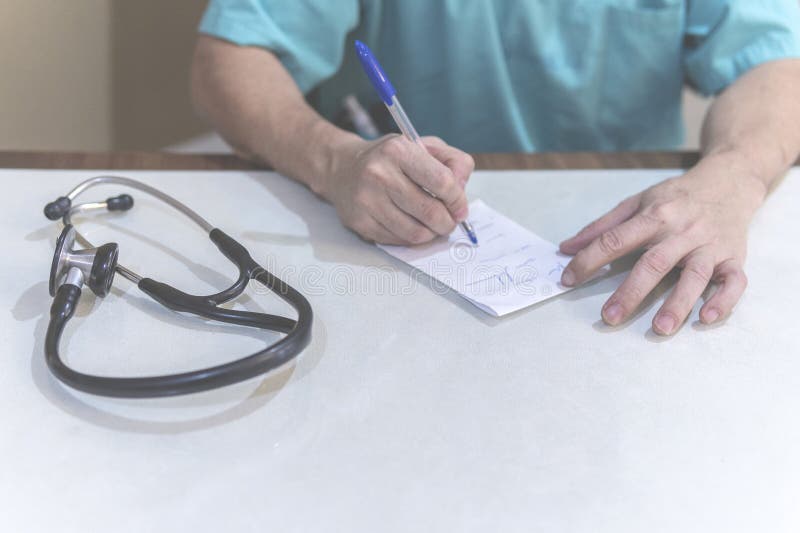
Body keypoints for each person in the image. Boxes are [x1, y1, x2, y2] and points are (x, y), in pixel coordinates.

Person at [191, 1, 800, 335]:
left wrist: (735, 174)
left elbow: (778, 65)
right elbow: (227, 59)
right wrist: (334, 159)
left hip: (623, 240)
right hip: (387, 267)